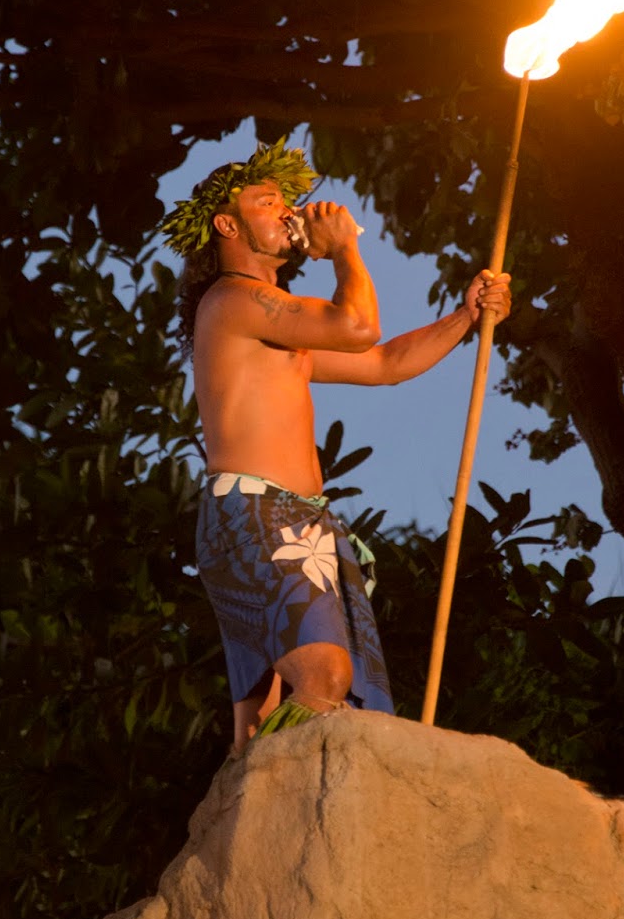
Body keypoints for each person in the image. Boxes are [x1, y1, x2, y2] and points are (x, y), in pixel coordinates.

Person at [161, 141, 511, 751]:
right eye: (267, 201)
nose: (289, 212)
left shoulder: (272, 322)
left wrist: (466, 316)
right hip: (257, 513)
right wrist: (345, 250)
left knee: (262, 717)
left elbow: (385, 362)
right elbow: (358, 327)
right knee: (325, 676)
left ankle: (245, 815)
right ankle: (277, 803)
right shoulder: (235, 299)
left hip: (288, 520)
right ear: (228, 224)